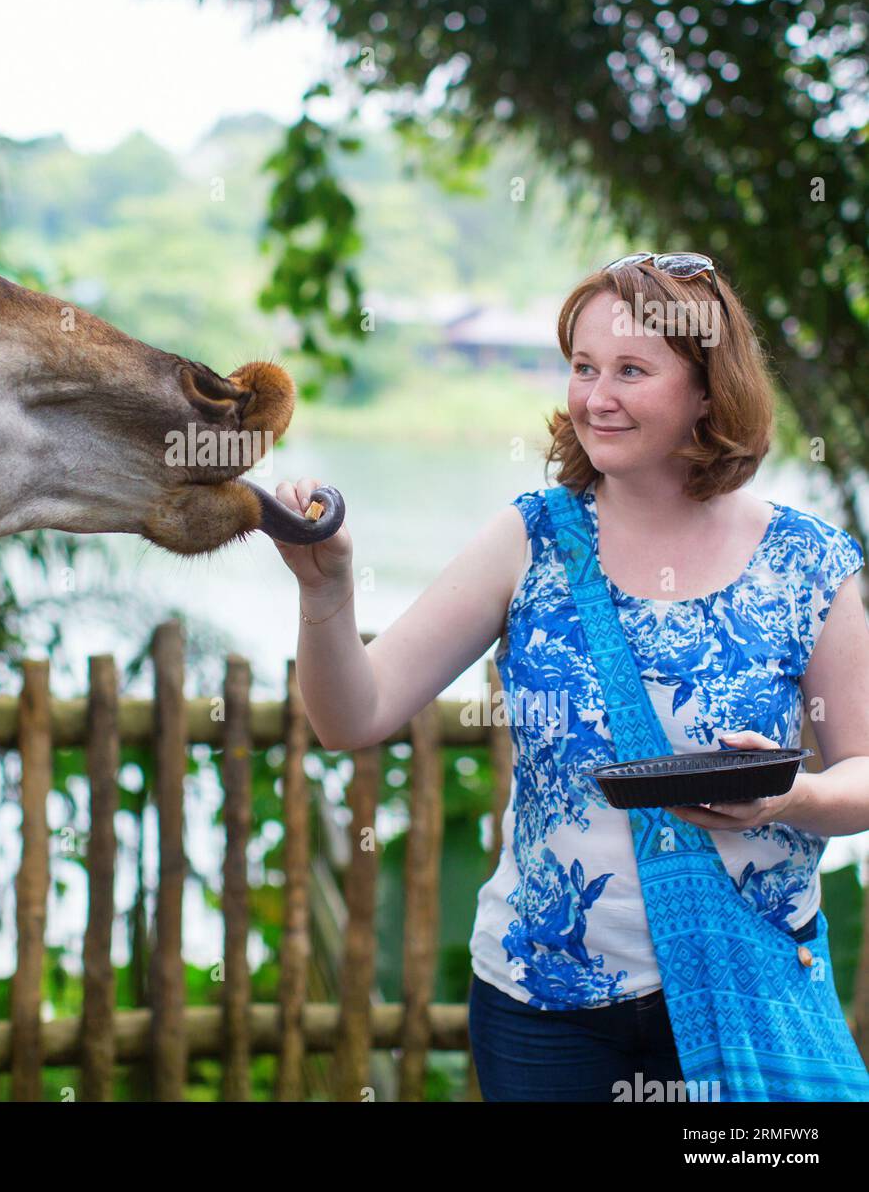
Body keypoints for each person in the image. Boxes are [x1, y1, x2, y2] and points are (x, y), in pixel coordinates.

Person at [270, 253, 869, 1101]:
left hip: (746, 985)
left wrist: (789, 799)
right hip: (543, 1013)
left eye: (631, 370)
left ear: (708, 391)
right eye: (584, 367)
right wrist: (325, 590)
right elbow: (352, 716)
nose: (595, 396)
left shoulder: (805, 562)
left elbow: (866, 773)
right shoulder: (530, 541)